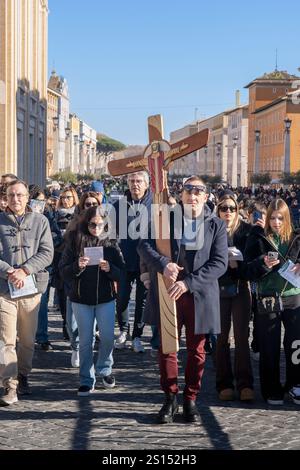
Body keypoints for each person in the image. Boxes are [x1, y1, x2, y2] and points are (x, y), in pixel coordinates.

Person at [138, 175, 228, 423]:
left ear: (206, 196)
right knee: (167, 347)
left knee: (196, 350)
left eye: (198, 191)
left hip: (198, 293)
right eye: (188, 190)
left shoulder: (216, 225)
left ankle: (190, 399)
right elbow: (144, 245)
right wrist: (164, 264)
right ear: (181, 195)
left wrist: (188, 283)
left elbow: (219, 263)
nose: (193, 195)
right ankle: (170, 398)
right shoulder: (165, 219)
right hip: (168, 290)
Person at [59, 206, 125, 395]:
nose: (96, 228)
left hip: (105, 299)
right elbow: (63, 270)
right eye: (92, 224)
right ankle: (86, 378)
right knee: (85, 341)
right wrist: (76, 266)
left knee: (107, 338)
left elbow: (122, 273)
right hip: (81, 299)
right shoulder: (74, 241)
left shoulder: (111, 243)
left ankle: (104, 368)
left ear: (106, 225)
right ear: (85, 223)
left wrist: (110, 268)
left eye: (100, 224)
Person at [0, 180, 53, 406]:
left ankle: (23, 374)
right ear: (6, 197)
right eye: (12, 195)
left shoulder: (41, 221)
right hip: (4, 290)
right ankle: (9, 385)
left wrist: (25, 270)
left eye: (20, 195)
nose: (16, 199)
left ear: (27, 198)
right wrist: (9, 271)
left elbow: (47, 252)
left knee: (27, 341)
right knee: (6, 340)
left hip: (31, 290)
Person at [244, 198, 300, 405]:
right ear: (267, 218)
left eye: (280, 218)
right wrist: (263, 264)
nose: (276, 222)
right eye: (273, 218)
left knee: (296, 343)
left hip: (294, 297)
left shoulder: (296, 237)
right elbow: (246, 270)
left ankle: (295, 385)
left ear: (287, 219)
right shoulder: (258, 236)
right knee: (269, 346)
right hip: (268, 297)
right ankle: (271, 388)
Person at [215, 190, 254, 402]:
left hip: (240, 287)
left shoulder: (247, 231)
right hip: (218, 288)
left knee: (241, 337)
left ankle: (245, 383)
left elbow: (252, 261)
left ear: (237, 210)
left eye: (231, 208)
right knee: (220, 338)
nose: (228, 212)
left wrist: (237, 264)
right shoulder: (212, 229)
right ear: (218, 210)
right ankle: (223, 383)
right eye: (223, 208)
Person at [114, 171, 152, 353]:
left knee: (142, 301)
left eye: (138, 181)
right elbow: (109, 233)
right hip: (123, 259)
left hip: (147, 261)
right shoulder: (118, 206)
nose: (135, 184)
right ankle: (123, 331)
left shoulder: (156, 205)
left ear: (146, 184)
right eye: (131, 180)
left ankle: (137, 335)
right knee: (121, 299)